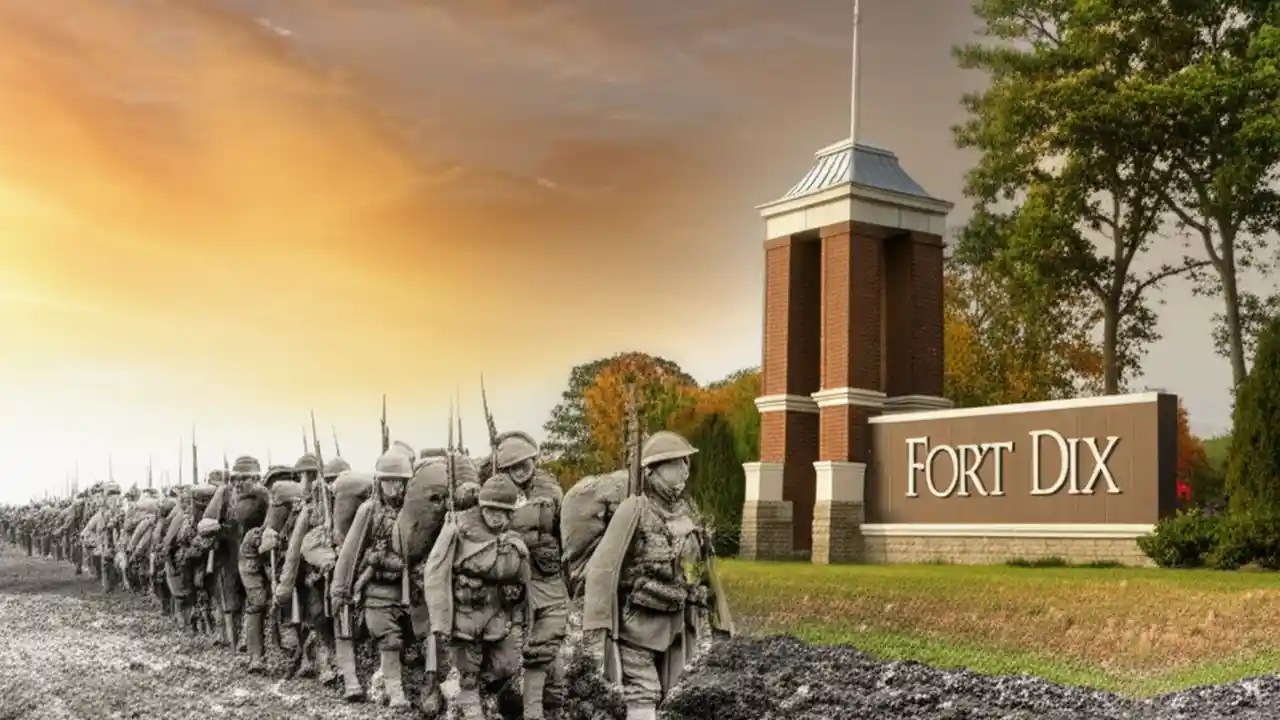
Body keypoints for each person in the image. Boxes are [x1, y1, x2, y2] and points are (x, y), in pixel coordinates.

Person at [581, 431, 735, 720]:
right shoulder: (634, 510)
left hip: (675, 629)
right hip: (635, 627)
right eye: (676, 464)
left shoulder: (688, 514)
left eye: (686, 463)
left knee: (668, 696)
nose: (685, 471)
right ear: (653, 471)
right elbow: (603, 570)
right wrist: (598, 629)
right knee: (642, 695)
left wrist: (721, 619)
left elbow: (705, 571)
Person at [425, 474, 530, 720]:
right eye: (490, 510)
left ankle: (480, 701)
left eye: (502, 511)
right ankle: (470, 710)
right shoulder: (458, 529)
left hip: (496, 613)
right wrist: (440, 622)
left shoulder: (513, 541)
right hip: (464, 613)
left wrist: (519, 610)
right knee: (467, 669)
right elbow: (436, 572)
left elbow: (523, 583)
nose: (495, 516)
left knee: (504, 664)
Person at [492, 433, 568, 720]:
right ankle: (522, 704)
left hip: (548, 575)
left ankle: (549, 706)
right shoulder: (496, 490)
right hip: (513, 581)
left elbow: (566, 529)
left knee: (547, 641)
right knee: (514, 645)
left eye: (524, 463)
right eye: (513, 466)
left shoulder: (551, 489)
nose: (520, 470)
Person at [331, 450, 414, 708]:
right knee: (388, 637)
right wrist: (342, 589)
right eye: (388, 481)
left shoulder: (414, 510)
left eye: (399, 481)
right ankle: (394, 689)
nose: (394, 487)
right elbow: (351, 552)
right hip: (377, 587)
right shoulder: (369, 510)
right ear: (379, 482)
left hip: (410, 585)